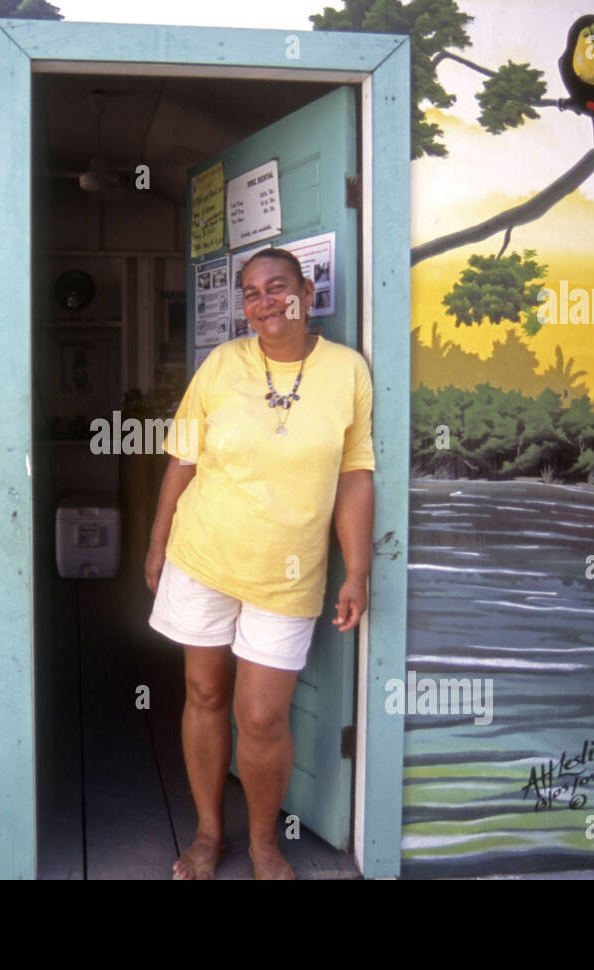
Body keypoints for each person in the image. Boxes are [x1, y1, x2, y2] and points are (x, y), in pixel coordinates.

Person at [145, 247, 375, 880]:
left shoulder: (346, 371)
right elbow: (183, 460)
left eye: (277, 287)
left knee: (263, 715)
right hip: (204, 556)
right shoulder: (221, 365)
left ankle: (265, 844)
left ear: (306, 289)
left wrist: (356, 570)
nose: (265, 301)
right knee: (204, 691)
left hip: (290, 574)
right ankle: (209, 835)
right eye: (251, 293)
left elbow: (355, 475)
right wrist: (158, 542)